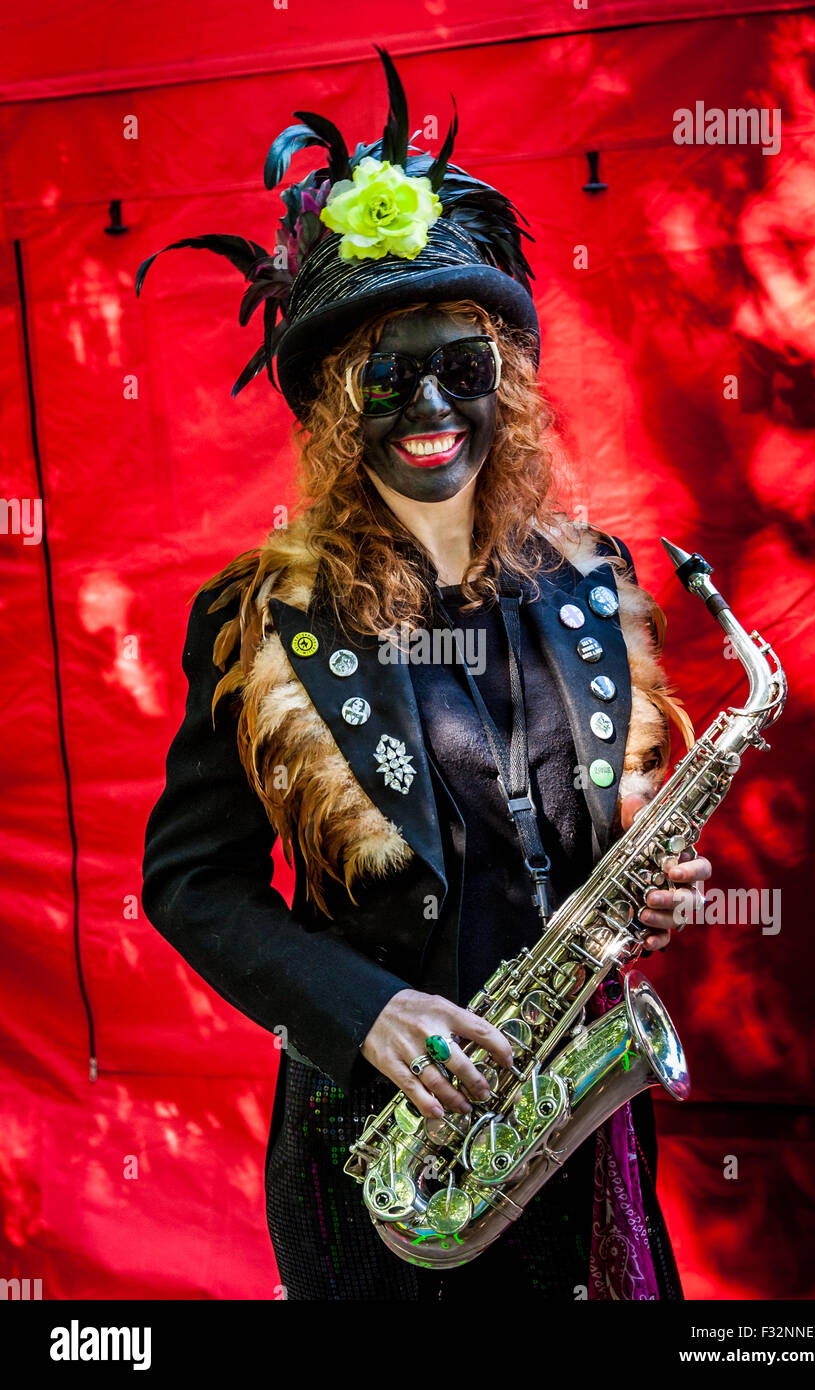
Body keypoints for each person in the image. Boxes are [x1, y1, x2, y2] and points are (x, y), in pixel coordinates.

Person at [139, 48, 711, 1301]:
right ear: (341, 406)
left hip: (577, 1140)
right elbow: (191, 881)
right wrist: (361, 1010)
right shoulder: (258, 618)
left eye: (468, 362)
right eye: (391, 374)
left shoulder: (590, 576)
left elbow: (587, 830)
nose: (434, 402)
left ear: (508, 379)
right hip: (375, 1159)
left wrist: (643, 880)